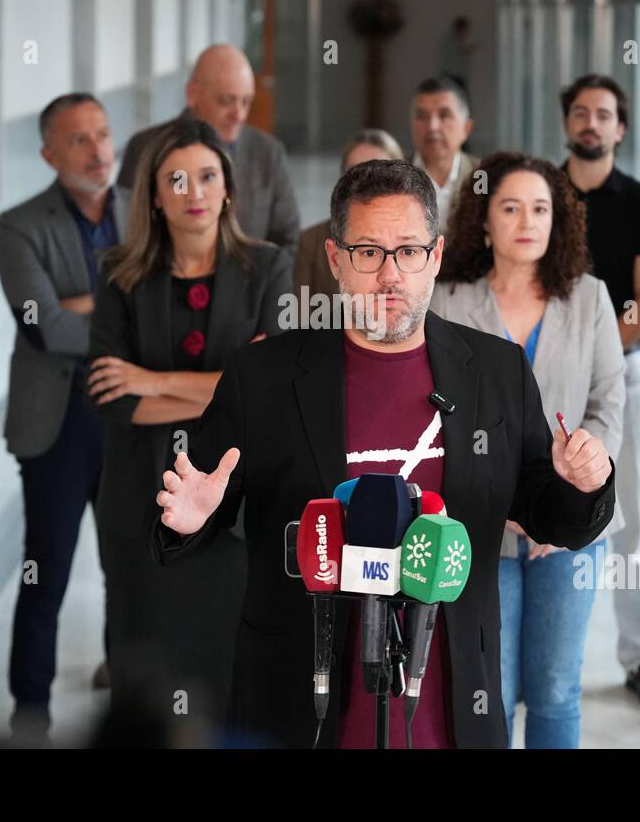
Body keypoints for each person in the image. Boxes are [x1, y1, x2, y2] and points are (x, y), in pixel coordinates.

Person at [152, 159, 616, 748]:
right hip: (305, 702)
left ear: (437, 256)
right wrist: (191, 519)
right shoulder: (263, 377)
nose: (390, 274)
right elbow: (184, 522)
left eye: (409, 251)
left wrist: (586, 485)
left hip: (450, 705)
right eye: (368, 252)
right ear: (336, 259)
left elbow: (546, 513)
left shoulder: (495, 373)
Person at [88, 118, 291, 731]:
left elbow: (269, 392)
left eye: (208, 175)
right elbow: (112, 399)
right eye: (176, 179)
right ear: (153, 194)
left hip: (231, 511)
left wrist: (151, 380)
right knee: (143, 674)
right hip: (137, 502)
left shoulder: (268, 268)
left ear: (228, 188)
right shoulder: (119, 273)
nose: (193, 190)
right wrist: (223, 387)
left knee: (226, 673)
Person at [430, 152, 625, 748]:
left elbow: (608, 403)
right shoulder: (446, 299)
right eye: (510, 207)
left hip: (571, 532)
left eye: (540, 208)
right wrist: (515, 508)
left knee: (556, 689)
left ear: (557, 220)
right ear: (483, 219)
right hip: (480, 527)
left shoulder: (589, 298)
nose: (526, 221)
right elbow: (436, 416)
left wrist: (562, 505)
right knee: (488, 687)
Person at [0, 93, 120, 737]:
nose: (98, 150)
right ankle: (30, 712)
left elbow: (161, 310)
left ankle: (124, 684)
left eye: (102, 134)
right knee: (46, 566)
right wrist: (118, 312)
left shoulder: (146, 206)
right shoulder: (20, 225)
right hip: (59, 420)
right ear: (48, 153)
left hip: (131, 415)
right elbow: (45, 328)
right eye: (79, 140)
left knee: (127, 565)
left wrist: (85, 305)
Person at [559, 73, 640, 709]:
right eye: (581, 112)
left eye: (604, 114)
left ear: (620, 128)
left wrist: (599, 354)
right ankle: (547, 667)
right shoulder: (543, 196)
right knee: (543, 525)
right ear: (568, 124)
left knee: (633, 528)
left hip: (623, 376)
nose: (592, 123)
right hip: (546, 381)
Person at [116, 45, 300, 253]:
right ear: (193, 94)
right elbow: (129, 235)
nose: (238, 114)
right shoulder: (144, 148)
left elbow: (288, 240)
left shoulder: (267, 152)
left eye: (246, 102)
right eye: (226, 101)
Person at [292, 128, 404, 300]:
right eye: (353, 173)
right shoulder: (310, 243)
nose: (364, 184)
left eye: (378, 174)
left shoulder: (416, 242)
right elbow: (301, 317)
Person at [411, 76, 478, 225]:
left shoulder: (483, 175)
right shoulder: (391, 175)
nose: (432, 126)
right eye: (422, 116)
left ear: (466, 128)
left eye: (444, 115)